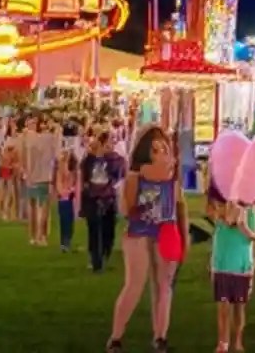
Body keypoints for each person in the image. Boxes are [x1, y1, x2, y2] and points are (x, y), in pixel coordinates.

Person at [108, 126, 187, 352]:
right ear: (145, 152)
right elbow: (127, 208)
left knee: (164, 286)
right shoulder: (135, 175)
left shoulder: (173, 178)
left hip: (166, 231)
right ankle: (116, 336)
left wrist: (184, 235)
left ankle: (161, 337)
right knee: (134, 284)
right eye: (155, 149)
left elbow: (180, 207)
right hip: (140, 232)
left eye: (164, 148)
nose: (162, 153)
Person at [209, 195, 255, 353]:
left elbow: (253, 237)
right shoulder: (222, 209)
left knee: (239, 306)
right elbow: (217, 215)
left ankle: (237, 341)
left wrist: (242, 225)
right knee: (223, 306)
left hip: (241, 267)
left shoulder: (252, 214)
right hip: (222, 264)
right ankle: (223, 342)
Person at [82, 130, 126, 272]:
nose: (112, 142)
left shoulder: (116, 160)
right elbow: (84, 176)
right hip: (93, 199)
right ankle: (96, 261)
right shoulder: (89, 160)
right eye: (110, 139)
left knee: (108, 230)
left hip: (109, 199)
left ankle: (104, 254)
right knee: (94, 230)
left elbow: (119, 175)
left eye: (114, 139)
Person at [19, 116, 59, 246]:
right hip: (44, 176)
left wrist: (25, 171)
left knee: (32, 206)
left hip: (30, 176)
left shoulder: (27, 138)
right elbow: (57, 156)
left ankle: (32, 236)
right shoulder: (49, 138)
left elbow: (22, 157)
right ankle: (41, 236)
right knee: (43, 207)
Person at [55, 149, 80, 252]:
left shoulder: (73, 173)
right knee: (65, 222)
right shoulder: (61, 171)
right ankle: (65, 242)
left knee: (67, 222)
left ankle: (65, 242)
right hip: (65, 199)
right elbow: (59, 185)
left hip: (67, 199)